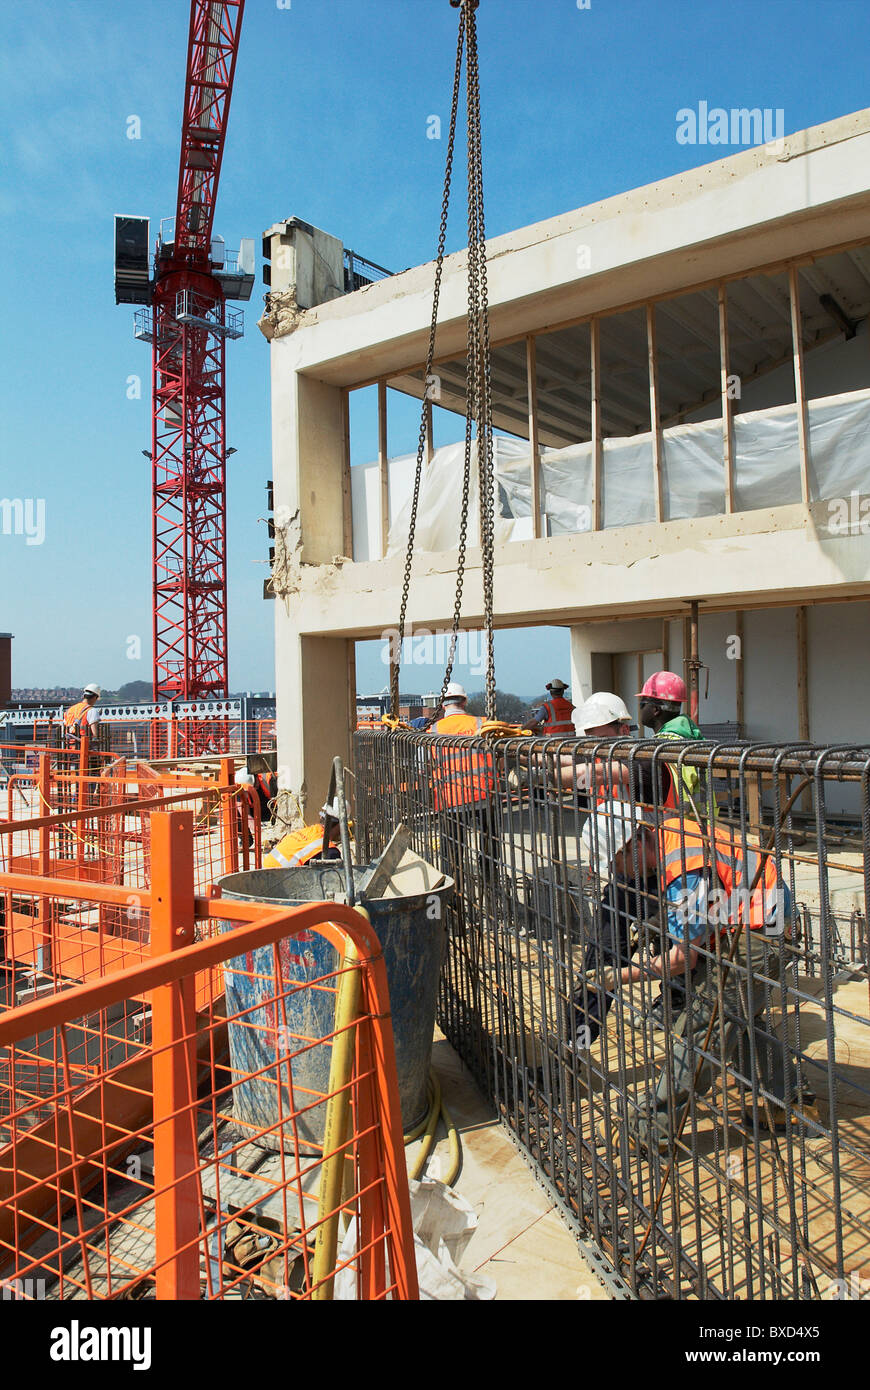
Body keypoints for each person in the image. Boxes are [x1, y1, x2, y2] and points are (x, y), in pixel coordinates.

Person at [587, 798, 802, 1155]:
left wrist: (618, 977)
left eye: (615, 863)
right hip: (752, 919)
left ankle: (650, 1129)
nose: (616, 873)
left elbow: (683, 958)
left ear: (632, 845)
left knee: (705, 1026)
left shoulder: (682, 864)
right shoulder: (670, 837)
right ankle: (789, 1102)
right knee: (739, 1019)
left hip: (762, 926)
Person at [430, 682, 498, 895]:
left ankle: (453, 893)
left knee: (452, 852)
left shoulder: (433, 730)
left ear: (443, 704)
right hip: (483, 794)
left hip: (451, 798)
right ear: (465, 701)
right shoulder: (483, 724)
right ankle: (491, 885)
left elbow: (424, 764)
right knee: (489, 846)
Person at [263, 800, 346, 868]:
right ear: (341, 825)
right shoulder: (330, 851)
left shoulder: (304, 831)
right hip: (281, 880)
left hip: (263, 873)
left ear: (321, 817)